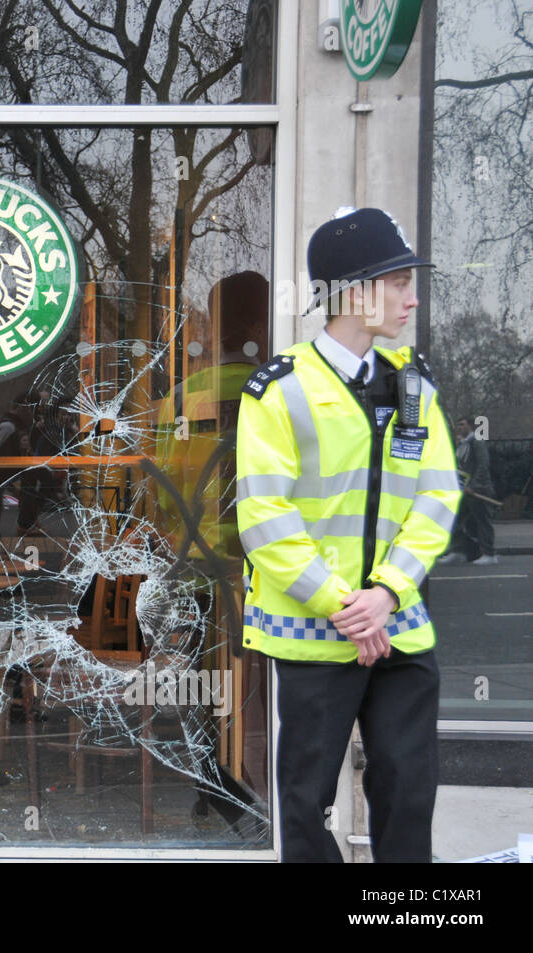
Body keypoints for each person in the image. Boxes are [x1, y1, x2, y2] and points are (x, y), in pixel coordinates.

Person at [235, 207, 461, 862]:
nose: (412, 297)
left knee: (409, 789)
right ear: (355, 290)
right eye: (399, 281)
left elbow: (437, 494)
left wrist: (386, 593)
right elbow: (265, 516)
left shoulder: (414, 383)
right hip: (315, 631)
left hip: (400, 628)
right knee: (306, 802)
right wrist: (346, 605)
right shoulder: (280, 389)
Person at [437, 415, 498, 565]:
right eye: (458, 425)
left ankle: (489, 554)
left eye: (463, 425)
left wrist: (474, 486)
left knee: (482, 521)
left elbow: (483, 465)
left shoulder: (477, 441)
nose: (459, 428)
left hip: (479, 490)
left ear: (471, 426)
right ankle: (458, 551)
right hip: (464, 489)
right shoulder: (463, 444)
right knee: (454, 518)